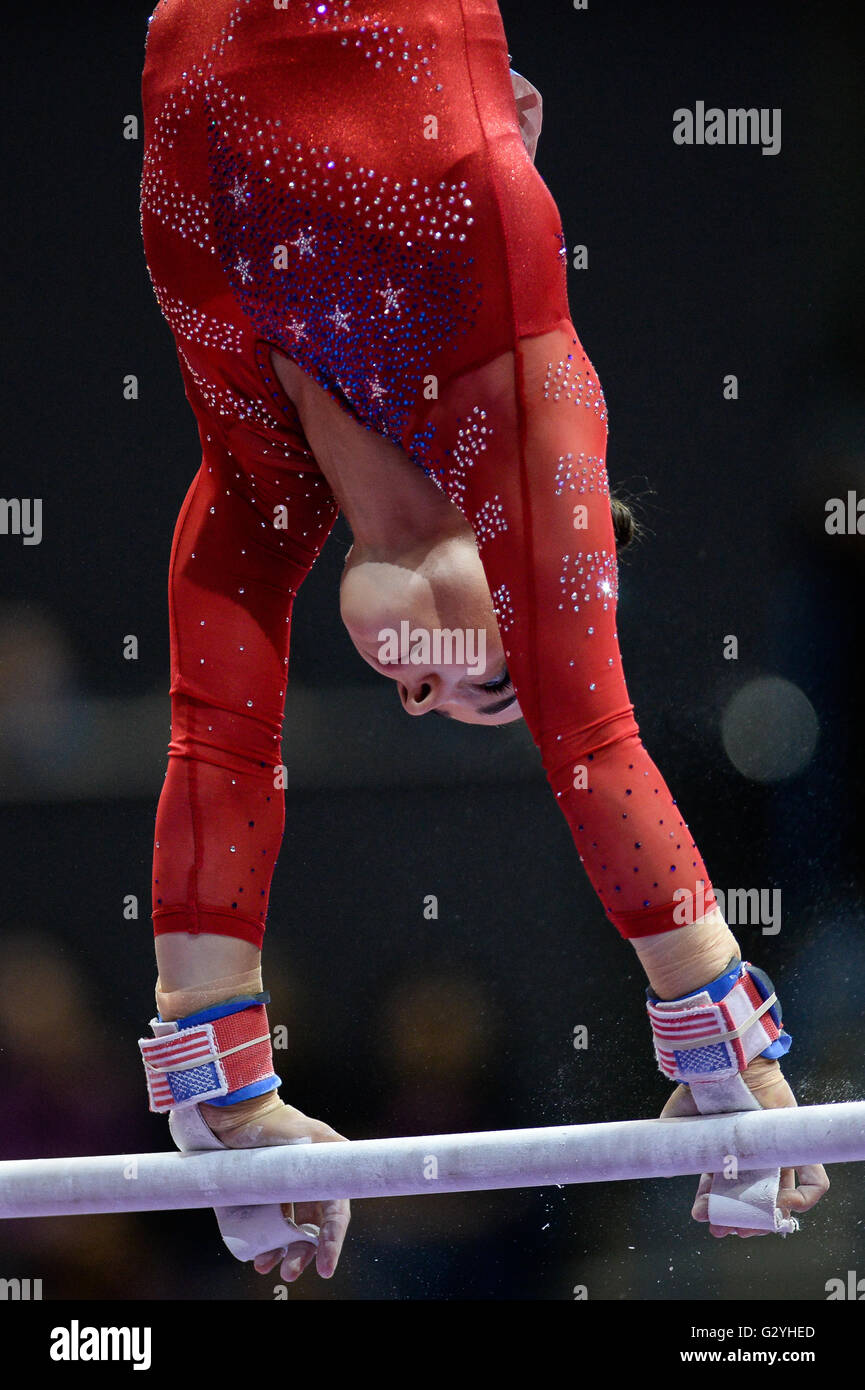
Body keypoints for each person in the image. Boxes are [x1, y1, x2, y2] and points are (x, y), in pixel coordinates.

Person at [138, 0, 827, 1287]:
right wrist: (726, 1055)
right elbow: (594, 735)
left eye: (429, 699)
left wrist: (226, 1095)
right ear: (515, 582)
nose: (415, 696)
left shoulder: (256, 478)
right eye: (489, 683)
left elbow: (217, 743)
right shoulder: (520, 394)